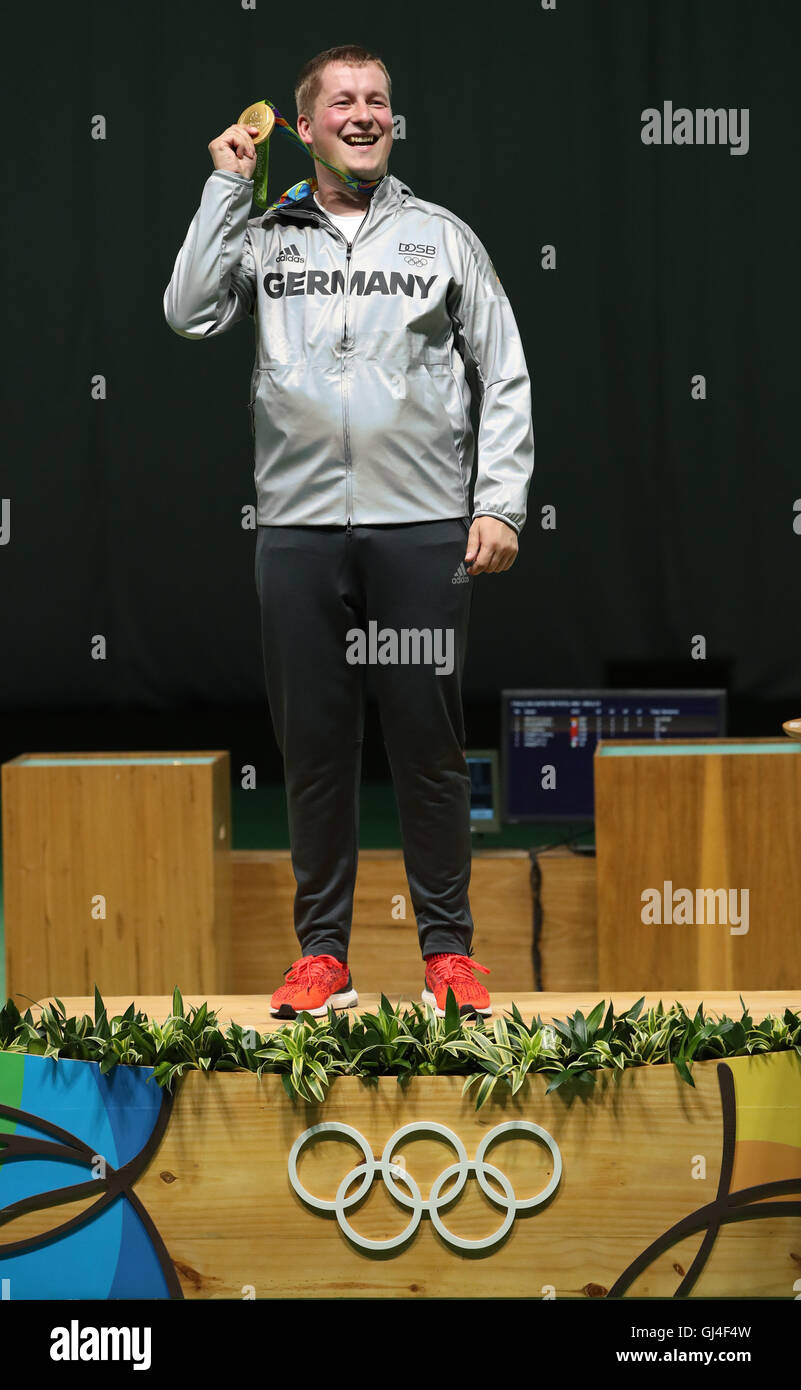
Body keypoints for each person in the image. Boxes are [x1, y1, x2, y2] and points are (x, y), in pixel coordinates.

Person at [163, 44, 534, 1020]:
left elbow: (503, 371)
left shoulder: (441, 238)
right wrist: (223, 186)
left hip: (420, 532)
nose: (364, 113)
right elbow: (189, 311)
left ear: (391, 122)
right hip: (298, 533)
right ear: (306, 125)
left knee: (430, 745)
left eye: (378, 100)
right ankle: (321, 954)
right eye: (343, 101)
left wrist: (497, 501)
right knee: (315, 747)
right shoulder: (268, 230)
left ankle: (448, 955)